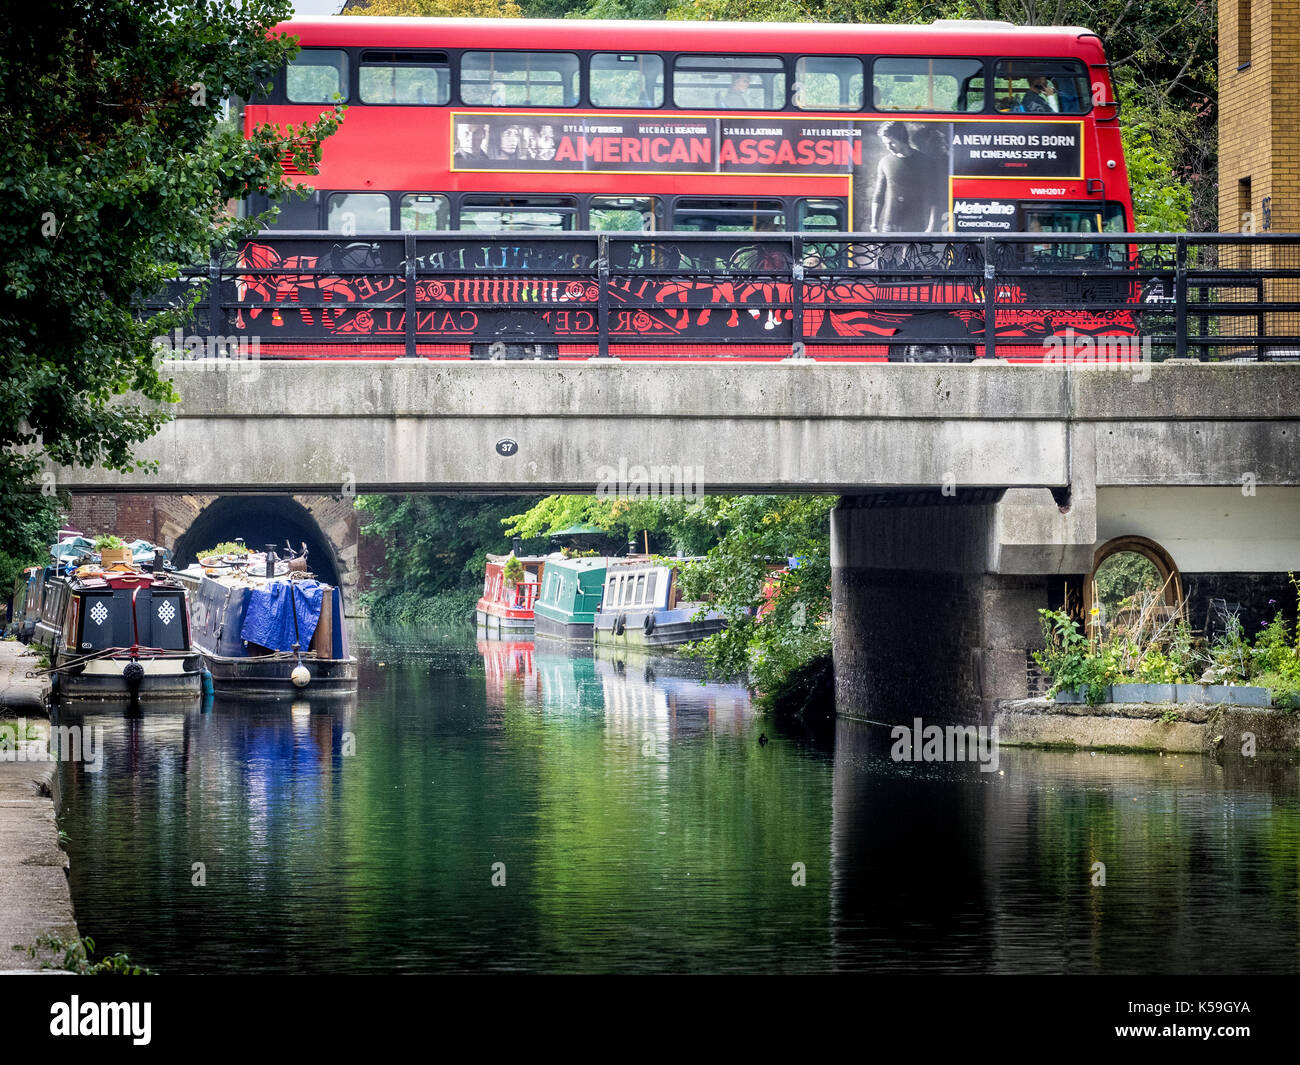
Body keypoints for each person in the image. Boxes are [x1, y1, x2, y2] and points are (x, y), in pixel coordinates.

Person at [870, 122, 935, 233]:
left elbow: (935, 197)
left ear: (901, 138)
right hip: (889, 226)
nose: (889, 147)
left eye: (892, 143)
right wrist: (874, 226)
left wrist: (931, 227)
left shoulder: (925, 161)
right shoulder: (884, 162)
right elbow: (878, 196)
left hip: (916, 226)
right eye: (886, 144)